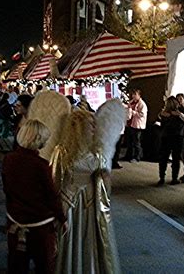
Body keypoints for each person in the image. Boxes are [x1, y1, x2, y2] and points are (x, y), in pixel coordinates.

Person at [50, 105, 124, 273]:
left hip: (91, 204)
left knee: (90, 241)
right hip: (68, 203)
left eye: (94, 124)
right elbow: (54, 181)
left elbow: (106, 185)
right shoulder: (62, 152)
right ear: (77, 126)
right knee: (70, 241)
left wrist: (104, 177)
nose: (94, 128)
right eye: (90, 124)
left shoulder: (98, 152)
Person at [2, 119, 66, 274]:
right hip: (40, 226)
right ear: (38, 140)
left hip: (15, 220)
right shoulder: (40, 165)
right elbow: (51, 196)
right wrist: (62, 218)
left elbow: (7, 189)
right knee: (44, 265)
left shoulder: (8, 159)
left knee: (16, 265)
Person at [157, 96, 184, 185]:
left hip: (165, 137)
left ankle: (162, 178)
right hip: (178, 137)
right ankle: (174, 178)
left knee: (163, 158)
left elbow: (160, 122)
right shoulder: (179, 113)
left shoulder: (163, 113)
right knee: (176, 158)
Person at [123, 88, 148, 162]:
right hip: (130, 124)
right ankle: (128, 156)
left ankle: (137, 157)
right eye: (133, 94)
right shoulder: (131, 102)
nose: (133, 96)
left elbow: (142, 114)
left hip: (137, 125)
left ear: (139, 95)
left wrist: (133, 112)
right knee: (129, 141)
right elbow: (128, 107)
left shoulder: (142, 104)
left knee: (136, 142)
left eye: (135, 94)